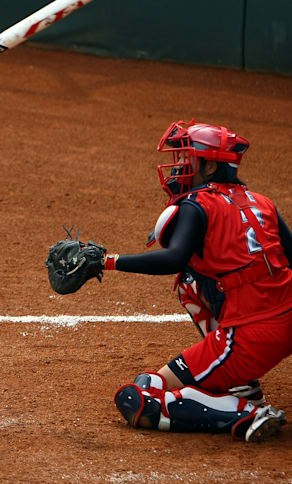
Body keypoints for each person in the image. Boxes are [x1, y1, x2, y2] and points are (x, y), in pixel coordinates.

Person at [105, 120, 292, 442]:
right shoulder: (262, 202)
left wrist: (109, 261)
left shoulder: (197, 203)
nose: (179, 168)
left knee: (139, 396)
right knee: (191, 281)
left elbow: (174, 258)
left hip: (253, 336)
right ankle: (240, 384)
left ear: (210, 166)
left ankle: (246, 411)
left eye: (187, 159)